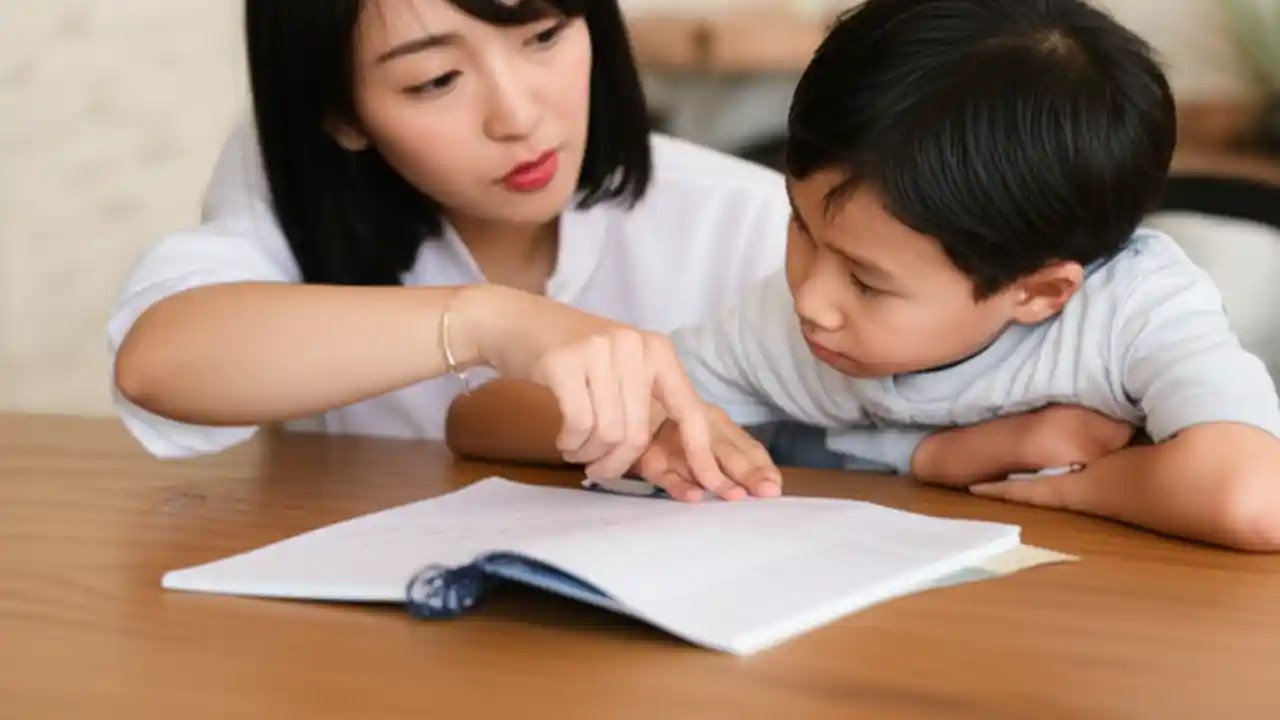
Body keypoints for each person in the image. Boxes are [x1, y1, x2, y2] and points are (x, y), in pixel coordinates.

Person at [476, 0, 1280, 550]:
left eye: (866, 281)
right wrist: (935, 455)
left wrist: (1075, 483)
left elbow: (1253, 499)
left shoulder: (1137, 314)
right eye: (800, 227)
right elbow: (480, 420)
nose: (812, 302)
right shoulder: (785, 331)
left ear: (1038, 293)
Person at [109, 0, 788, 499]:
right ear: (341, 114)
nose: (517, 116)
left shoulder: (750, 221)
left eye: (545, 35)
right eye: (435, 80)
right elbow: (159, 363)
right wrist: (492, 322)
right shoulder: (291, 195)